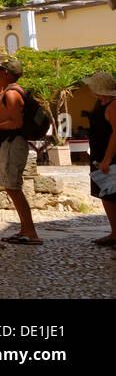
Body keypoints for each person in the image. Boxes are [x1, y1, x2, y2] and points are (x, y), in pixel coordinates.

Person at [0, 57, 40, 245]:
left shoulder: (13, 94)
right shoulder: (6, 91)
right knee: (10, 186)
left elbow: (17, 122)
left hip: (14, 143)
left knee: (14, 187)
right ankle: (25, 229)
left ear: (7, 73)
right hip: (9, 143)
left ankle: (31, 232)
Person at [82, 71, 116, 246]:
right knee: (106, 195)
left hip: (110, 158)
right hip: (99, 156)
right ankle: (114, 233)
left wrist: (107, 159)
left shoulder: (113, 105)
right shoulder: (101, 103)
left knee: (113, 194)